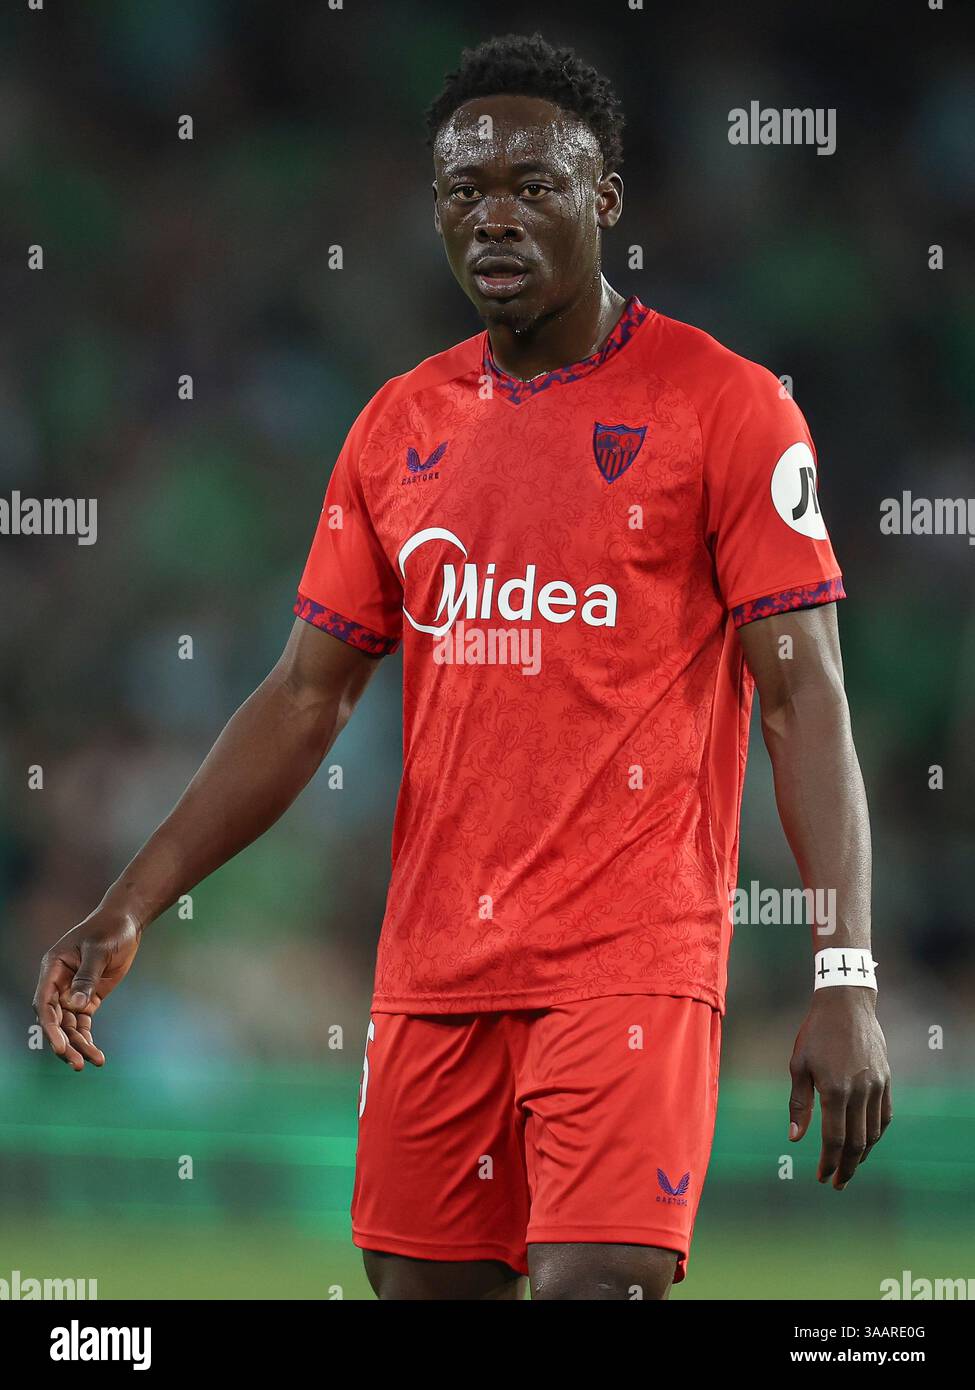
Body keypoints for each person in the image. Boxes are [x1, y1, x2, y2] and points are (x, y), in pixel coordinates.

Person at [32, 32, 892, 1301]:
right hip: (436, 973)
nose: (492, 216)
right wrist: (135, 899)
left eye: (534, 185)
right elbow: (303, 697)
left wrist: (845, 971)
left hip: (630, 958)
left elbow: (803, 693)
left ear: (604, 200)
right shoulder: (398, 426)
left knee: (595, 1281)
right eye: (461, 189)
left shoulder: (730, 408)